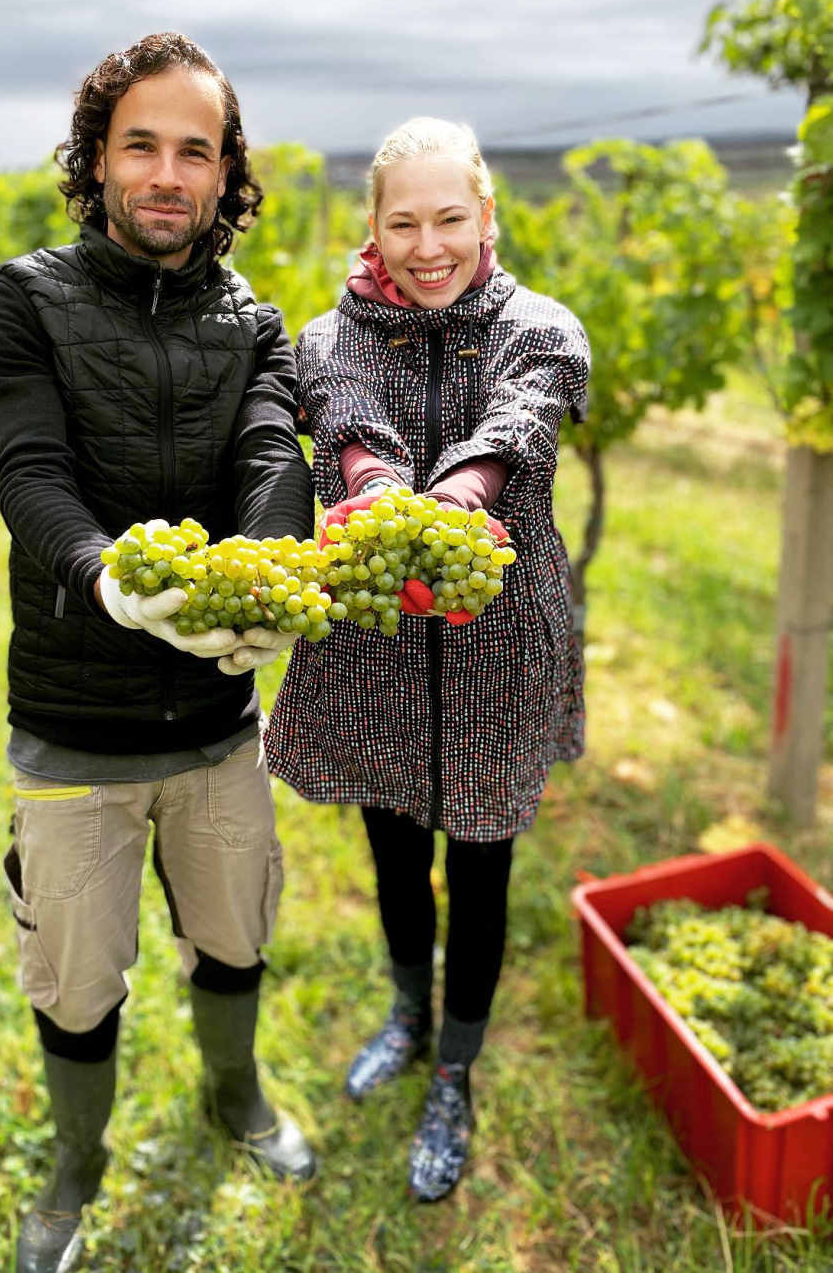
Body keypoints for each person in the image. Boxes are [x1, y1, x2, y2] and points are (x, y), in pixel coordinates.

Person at [0, 32, 316, 1273]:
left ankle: (235, 1097)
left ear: (227, 174)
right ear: (97, 158)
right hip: (75, 717)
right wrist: (109, 581)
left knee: (233, 934)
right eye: (142, 145)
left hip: (219, 723)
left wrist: (264, 571)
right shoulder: (26, 297)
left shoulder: (255, 321)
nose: (168, 172)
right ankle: (76, 1162)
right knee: (75, 979)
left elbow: (273, 454)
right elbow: (33, 471)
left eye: (196, 149)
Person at [256, 117, 590, 1202]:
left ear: (485, 215)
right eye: (401, 222)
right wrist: (368, 481)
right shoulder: (335, 332)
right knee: (396, 850)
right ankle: (405, 1012)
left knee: (481, 862)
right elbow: (344, 407)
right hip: (378, 651)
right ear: (374, 227)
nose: (426, 243)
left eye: (448, 217)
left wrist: (463, 491)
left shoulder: (535, 325)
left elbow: (522, 409)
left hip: (497, 641)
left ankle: (454, 1068)